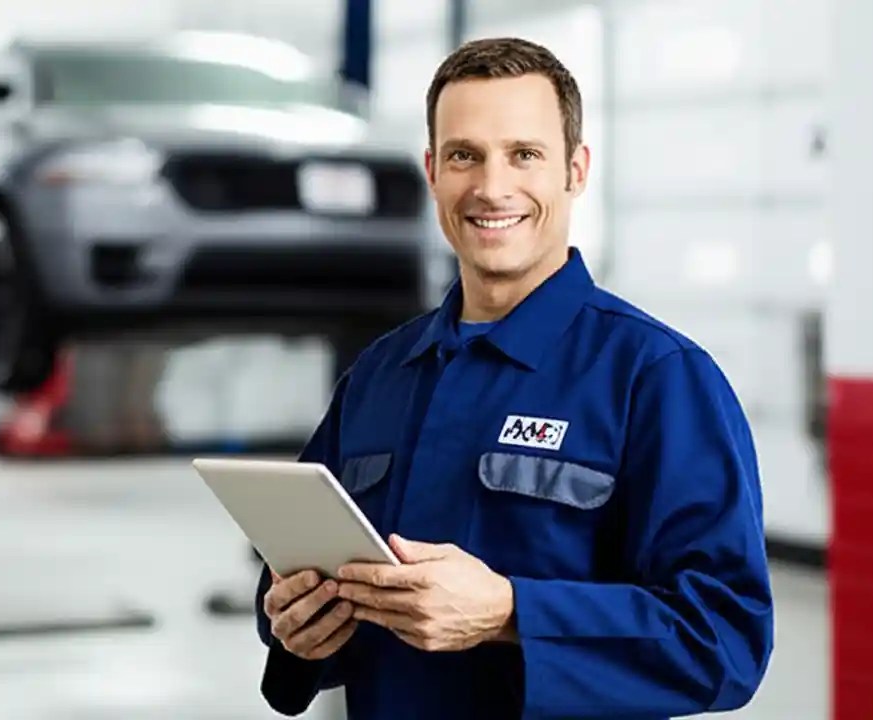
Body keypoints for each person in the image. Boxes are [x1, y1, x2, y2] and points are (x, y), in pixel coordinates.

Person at [254, 37, 774, 719]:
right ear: (433, 170)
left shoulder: (657, 378)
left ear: (575, 171)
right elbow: (295, 580)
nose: (492, 187)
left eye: (524, 154)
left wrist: (511, 612)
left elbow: (726, 638)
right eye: (465, 155)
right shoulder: (381, 374)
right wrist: (295, 625)